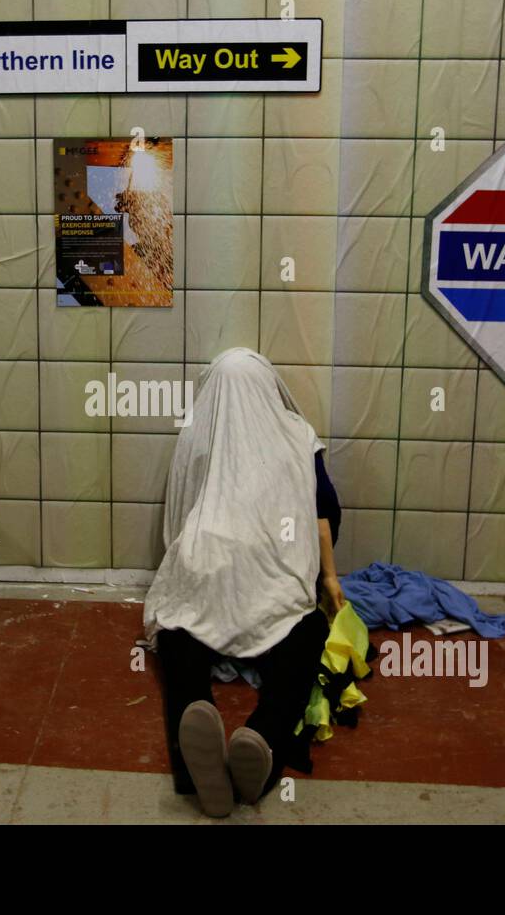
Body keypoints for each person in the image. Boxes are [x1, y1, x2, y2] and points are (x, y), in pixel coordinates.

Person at [144, 347, 343, 817]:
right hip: (275, 575)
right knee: (304, 634)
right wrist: (328, 578)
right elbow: (323, 515)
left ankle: (193, 760)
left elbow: (177, 517)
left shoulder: (197, 437)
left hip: (205, 566)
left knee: (179, 637)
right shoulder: (297, 436)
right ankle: (264, 738)